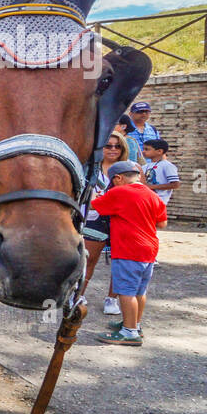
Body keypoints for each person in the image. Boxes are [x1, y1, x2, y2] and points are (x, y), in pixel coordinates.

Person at [92, 160, 168, 346]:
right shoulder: (152, 195)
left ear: (118, 178)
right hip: (149, 249)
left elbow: (95, 205)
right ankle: (135, 324)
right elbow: (162, 224)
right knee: (139, 291)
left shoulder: (119, 192)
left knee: (125, 291)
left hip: (128, 248)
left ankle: (129, 332)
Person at [83, 133, 125, 313]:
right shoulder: (89, 169)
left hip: (122, 221)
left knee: (120, 262)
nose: (113, 149)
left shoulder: (131, 168)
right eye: (108, 146)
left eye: (118, 146)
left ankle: (111, 299)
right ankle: (78, 294)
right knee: (88, 259)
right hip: (94, 219)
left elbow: (141, 193)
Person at [142, 138, 180, 205]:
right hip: (146, 200)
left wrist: (152, 186)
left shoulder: (167, 165)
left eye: (147, 149)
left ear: (159, 151)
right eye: (143, 149)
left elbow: (175, 184)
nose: (143, 151)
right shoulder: (144, 166)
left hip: (159, 201)